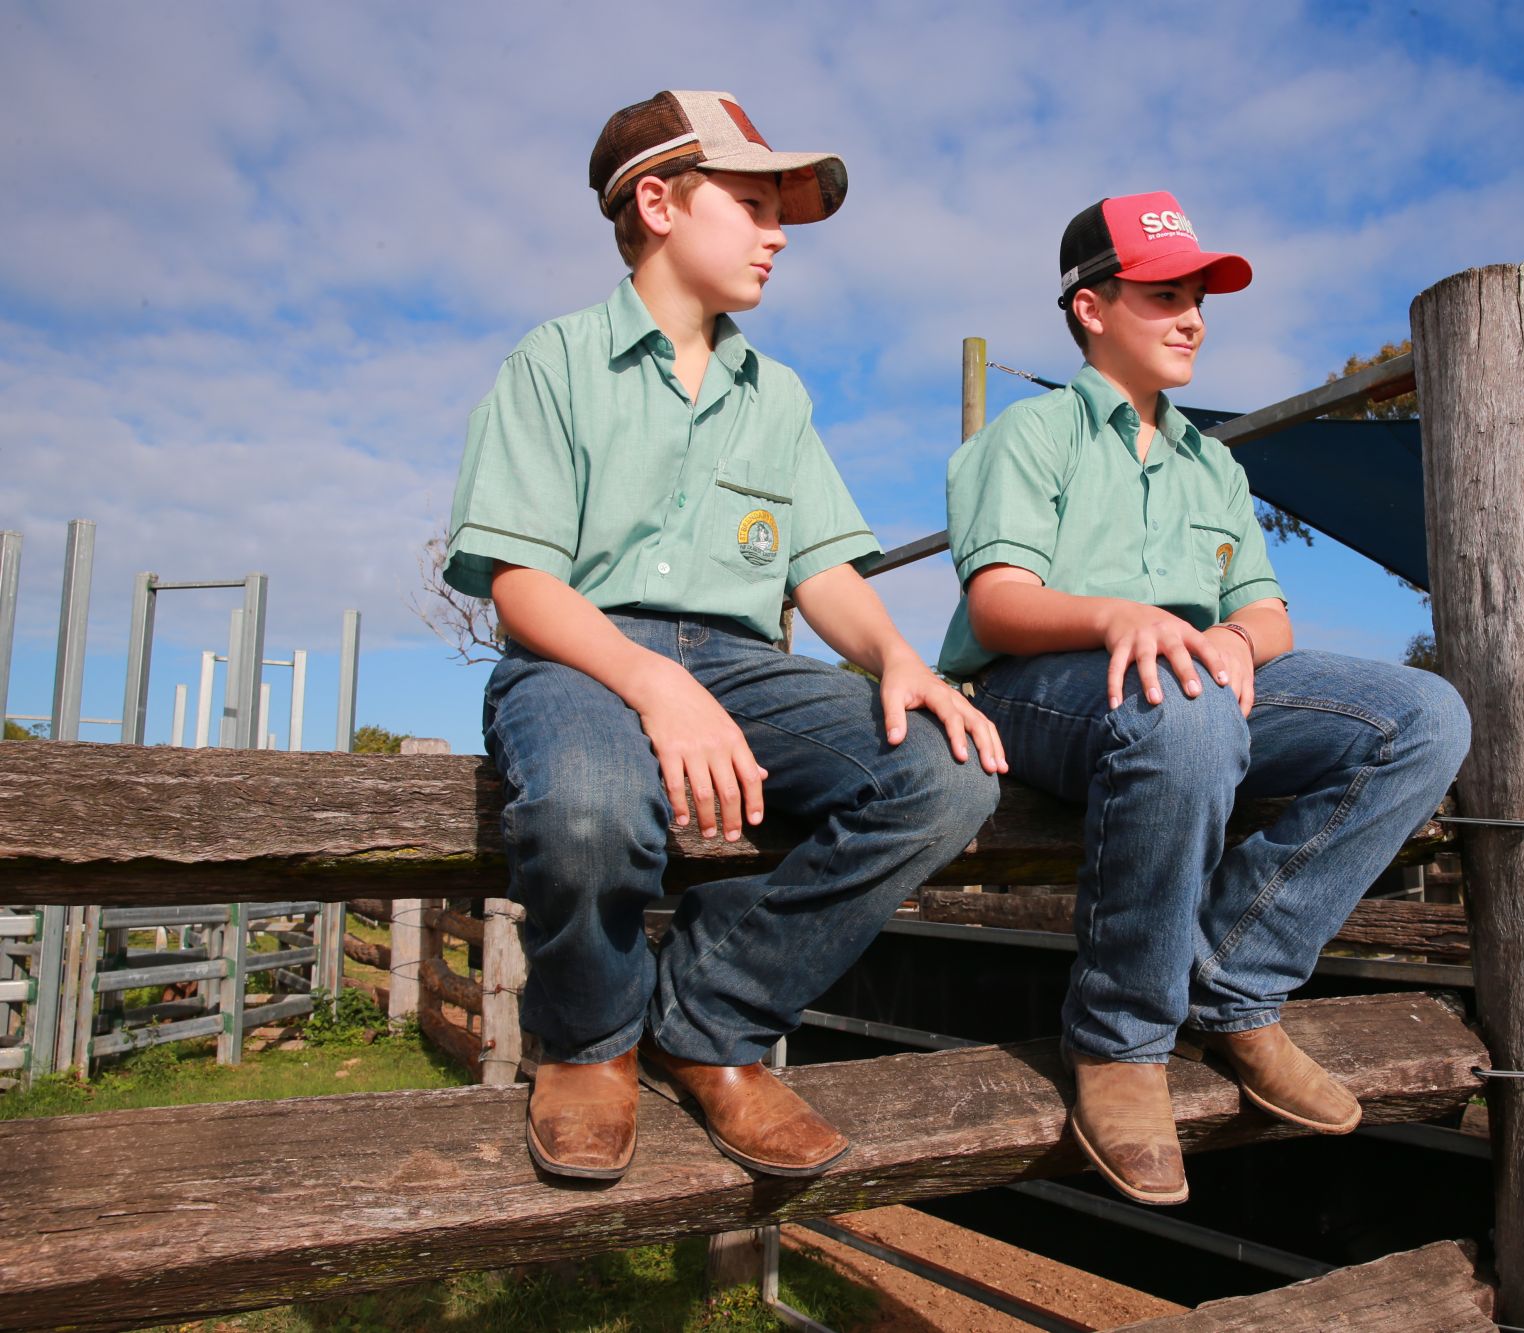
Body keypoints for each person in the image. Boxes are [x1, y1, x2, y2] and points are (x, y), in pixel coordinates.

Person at [445, 90, 1005, 1183]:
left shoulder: (776, 395)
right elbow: (519, 584)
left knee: (946, 776)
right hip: (579, 650)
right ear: (658, 203)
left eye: (779, 212)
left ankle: (708, 1018)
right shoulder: (552, 361)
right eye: (752, 205)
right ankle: (589, 1039)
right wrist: (655, 685)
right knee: (589, 810)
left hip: (742, 663)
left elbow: (823, 569)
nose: (777, 234)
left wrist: (897, 657)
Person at [938, 191, 1469, 1206]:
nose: (1192, 319)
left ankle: (1235, 982)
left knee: (1424, 716)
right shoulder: (1031, 433)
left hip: (1192, 683)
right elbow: (998, 602)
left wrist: (1231, 638)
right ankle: (1119, 1040)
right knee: (1184, 711)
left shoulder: (1211, 462)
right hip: (1038, 687)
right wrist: (1119, 618)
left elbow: (1266, 614)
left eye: (1198, 299)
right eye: (1164, 295)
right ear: (1091, 307)